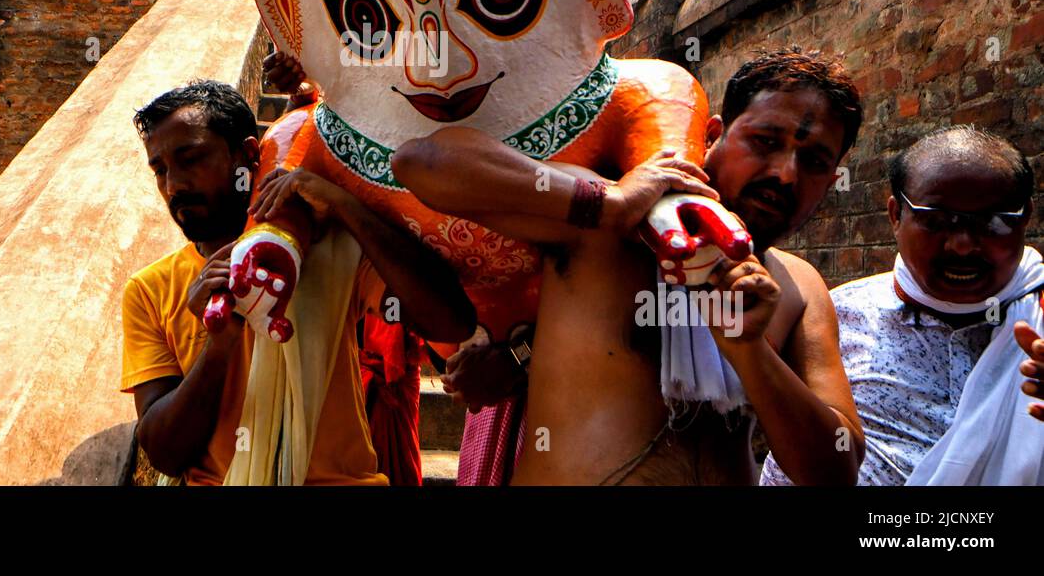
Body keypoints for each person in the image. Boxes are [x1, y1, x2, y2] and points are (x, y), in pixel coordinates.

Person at [392, 47, 867, 485]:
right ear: (713, 136)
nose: (786, 174)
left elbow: (836, 470)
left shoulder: (797, 287)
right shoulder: (600, 222)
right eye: (765, 141)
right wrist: (609, 202)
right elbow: (424, 162)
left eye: (815, 161)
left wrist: (747, 349)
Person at [120, 80, 475, 485]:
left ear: (248, 155)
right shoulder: (150, 289)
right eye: (160, 170)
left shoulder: (328, 250)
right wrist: (218, 345)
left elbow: (451, 322)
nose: (174, 186)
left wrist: (345, 206)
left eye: (191, 158)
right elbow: (165, 452)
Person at [762, 125, 1044, 485]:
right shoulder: (833, 317)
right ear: (896, 215)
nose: (962, 245)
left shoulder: (1040, 318)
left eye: (993, 222)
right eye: (936, 220)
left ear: (1025, 218)